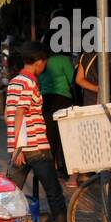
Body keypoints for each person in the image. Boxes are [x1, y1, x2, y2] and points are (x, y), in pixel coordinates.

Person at [4, 42, 67, 222]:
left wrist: (15, 148)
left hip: (19, 149)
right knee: (53, 192)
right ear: (39, 62)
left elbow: (9, 113)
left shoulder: (14, 81)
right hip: (35, 147)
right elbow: (19, 113)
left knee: (11, 194)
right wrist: (19, 146)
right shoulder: (29, 82)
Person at [40, 45, 76, 177]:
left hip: (45, 101)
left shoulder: (42, 61)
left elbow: (38, 81)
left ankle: (51, 168)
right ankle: (65, 169)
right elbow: (73, 80)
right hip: (62, 100)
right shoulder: (63, 60)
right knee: (64, 136)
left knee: (50, 136)